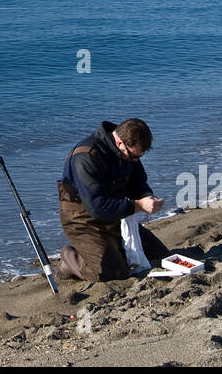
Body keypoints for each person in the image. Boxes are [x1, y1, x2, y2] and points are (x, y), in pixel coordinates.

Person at [56, 118, 168, 281]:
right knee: (113, 273)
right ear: (120, 142)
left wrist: (145, 195)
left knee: (161, 257)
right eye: (132, 156)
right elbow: (97, 207)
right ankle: (70, 259)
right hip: (83, 221)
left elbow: (138, 182)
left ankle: (115, 250)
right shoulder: (86, 157)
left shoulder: (129, 153)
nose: (135, 160)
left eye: (139, 157)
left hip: (116, 215)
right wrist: (138, 205)